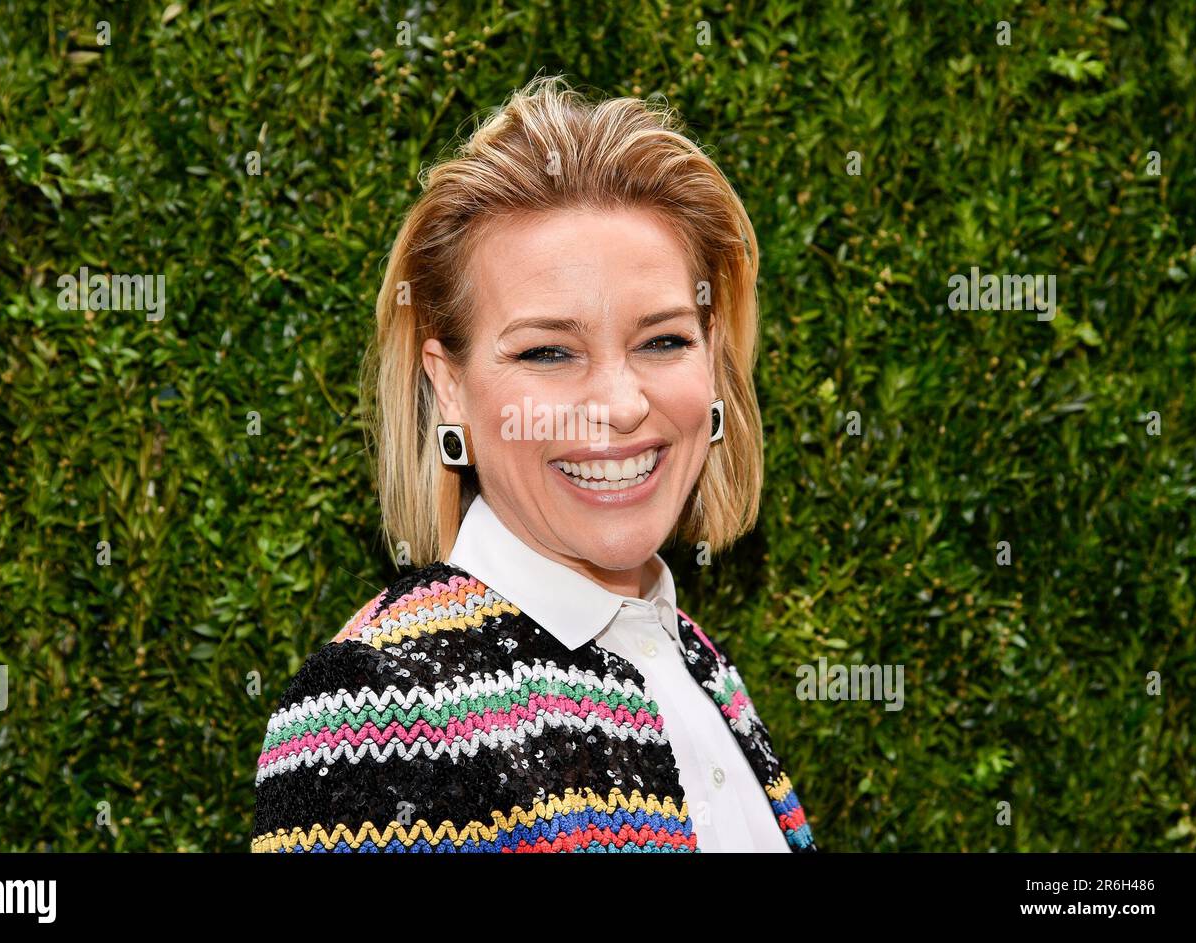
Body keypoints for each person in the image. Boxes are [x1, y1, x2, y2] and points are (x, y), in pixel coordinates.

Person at [251, 74, 818, 853]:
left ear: (713, 357)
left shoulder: (695, 661)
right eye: (548, 351)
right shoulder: (377, 713)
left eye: (663, 340)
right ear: (448, 384)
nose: (619, 404)